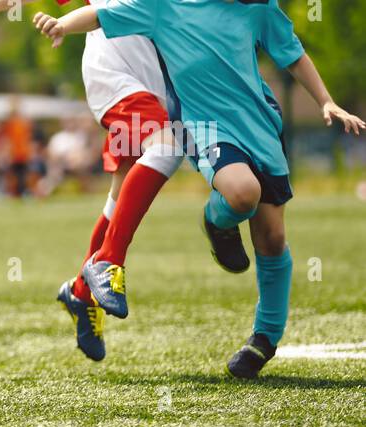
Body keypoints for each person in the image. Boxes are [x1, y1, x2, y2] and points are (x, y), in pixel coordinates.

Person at [36, 0, 364, 378]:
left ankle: (265, 337)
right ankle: (212, 223)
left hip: (259, 124)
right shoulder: (166, 7)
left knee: (272, 238)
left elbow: (292, 53)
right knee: (240, 193)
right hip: (203, 125)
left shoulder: (257, 6)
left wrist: (327, 101)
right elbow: (100, 15)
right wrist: (60, 25)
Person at [0, 0, 184, 362]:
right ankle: (108, 262)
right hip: (116, 80)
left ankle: (81, 293)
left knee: (121, 194)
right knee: (167, 150)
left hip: (148, 86)